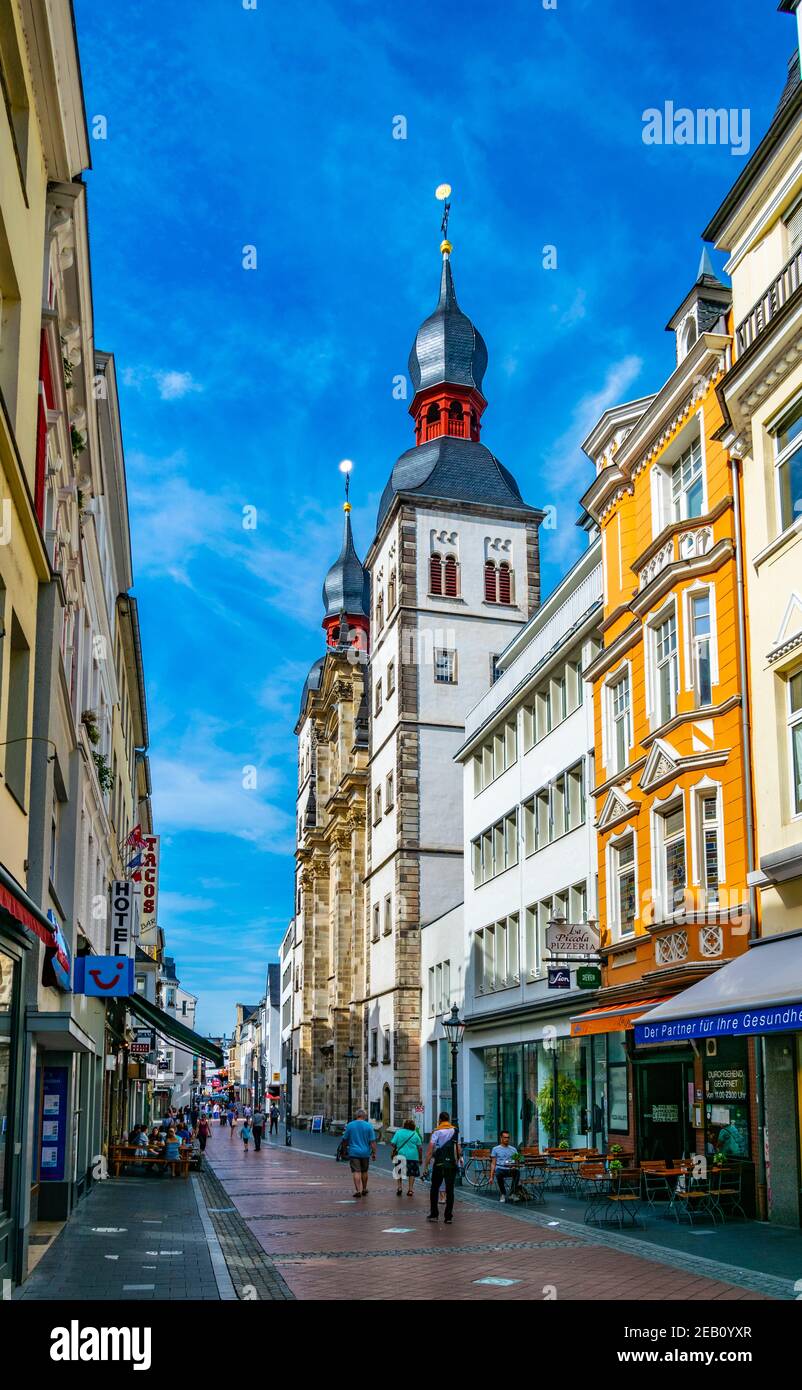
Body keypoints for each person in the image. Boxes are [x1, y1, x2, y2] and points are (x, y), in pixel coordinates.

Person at [424, 1111, 461, 1224]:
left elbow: (430, 1150)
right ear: (448, 1119)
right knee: (450, 1190)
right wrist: (458, 1161)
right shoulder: (455, 1130)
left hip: (439, 1164)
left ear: (440, 1120)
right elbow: (458, 1149)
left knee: (434, 1188)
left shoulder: (436, 1131)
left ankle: (434, 1214)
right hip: (451, 1164)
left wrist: (426, 1165)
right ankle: (448, 1216)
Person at [342, 1108, 377, 1198]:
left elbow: (345, 1139)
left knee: (356, 1171)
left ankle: (358, 1190)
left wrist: (344, 1149)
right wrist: (374, 1153)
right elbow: (372, 1142)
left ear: (356, 1116)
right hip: (365, 1152)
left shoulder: (350, 1125)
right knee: (364, 1171)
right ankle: (364, 1188)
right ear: (364, 1116)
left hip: (354, 1152)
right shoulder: (369, 1126)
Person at [391, 1119, 423, 1197]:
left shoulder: (399, 1132)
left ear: (404, 1125)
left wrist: (397, 1146)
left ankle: (399, 1187)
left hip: (400, 1155)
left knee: (399, 1172)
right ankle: (410, 1190)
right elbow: (420, 1147)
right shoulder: (415, 1134)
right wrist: (420, 1158)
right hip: (413, 1156)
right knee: (411, 1173)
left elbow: (392, 1143)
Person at [489, 1131, 520, 1202]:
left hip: (510, 1169)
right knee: (498, 1172)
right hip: (500, 1169)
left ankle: (512, 1193)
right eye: (505, 1137)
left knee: (517, 1172)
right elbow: (493, 1163)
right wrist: (491, 1177)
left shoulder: (513, 1149)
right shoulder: (495, 1149)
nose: (507, 1139)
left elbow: (518, 1161)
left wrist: (515, 1165)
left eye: (508, 1137)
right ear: (501, 1138)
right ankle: (503, 1194)